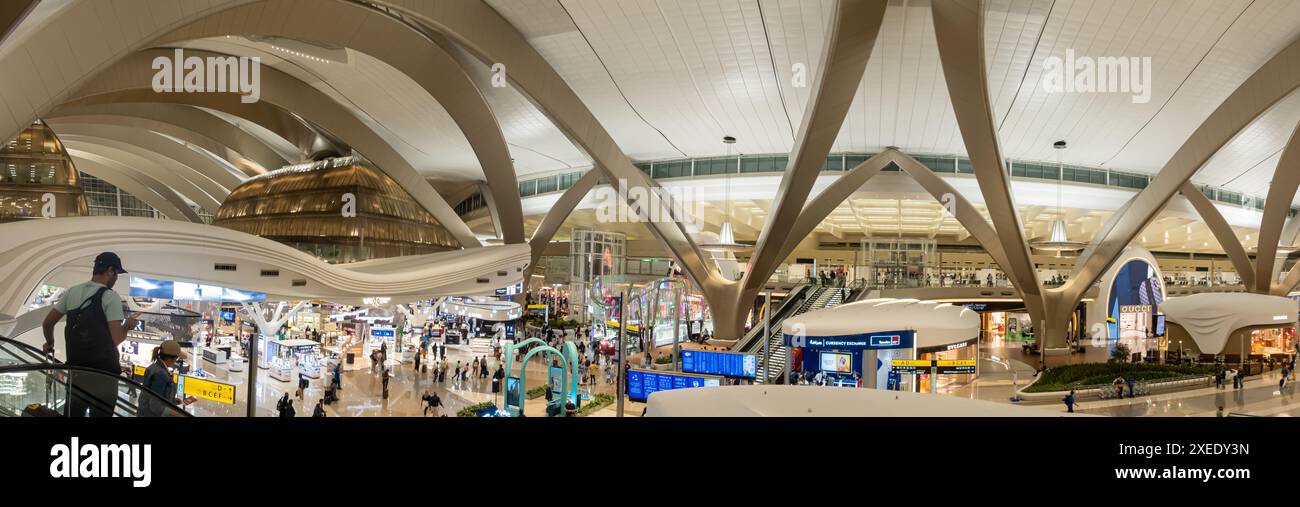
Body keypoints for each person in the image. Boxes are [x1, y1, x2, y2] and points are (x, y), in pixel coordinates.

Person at [40, 252, 141, 417]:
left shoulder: (72, 292)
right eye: (117, 273)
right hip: (104, 376)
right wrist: (127, 326)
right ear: (110, 270)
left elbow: (47, 323)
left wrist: (49, 342)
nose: (116, 279)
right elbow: (117, 338)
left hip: (76, 372)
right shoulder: (110, 297)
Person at [140, 340, 196, 416]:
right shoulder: (160, 375)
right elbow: (155, 406)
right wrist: (176, 414)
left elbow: (155, 395)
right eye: (177, 358)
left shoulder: (153, 367)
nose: (176, 360)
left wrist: (173, 400)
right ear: (170, 358)